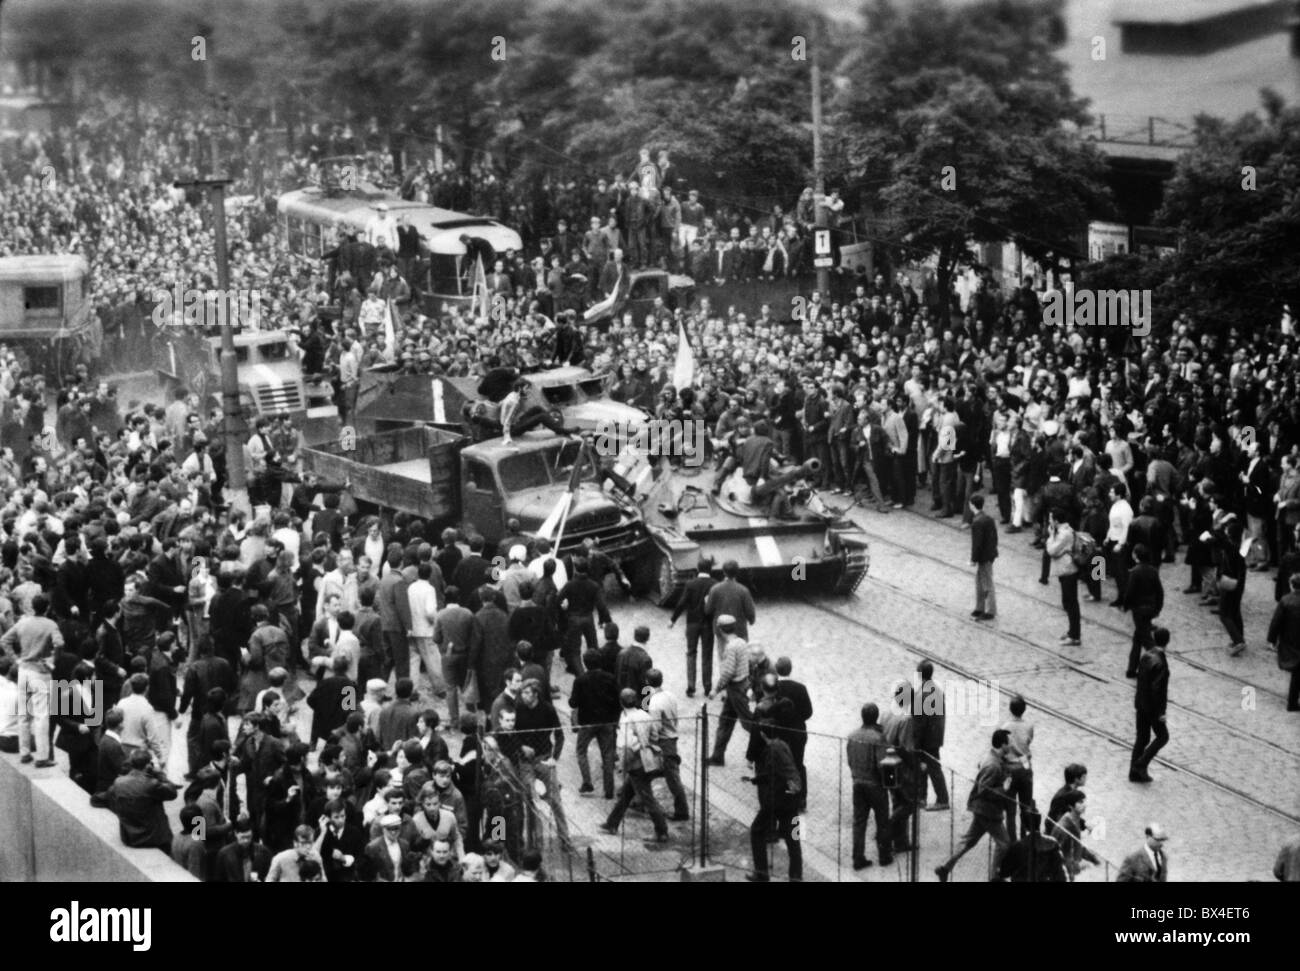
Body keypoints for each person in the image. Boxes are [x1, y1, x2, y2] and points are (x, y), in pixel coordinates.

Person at [935, 729, 1013, 882]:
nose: (1011, 746)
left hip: (981, 808)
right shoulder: (993, 765)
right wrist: (1005, 787)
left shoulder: (991, 757)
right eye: (1009, 743)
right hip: (987, 810)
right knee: (1004, 843)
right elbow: (983, 790)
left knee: (968, 840)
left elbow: (981, 766)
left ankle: (944, 867)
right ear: (1003, 744)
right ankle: (994, 878)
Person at [599, 687, 669, 843]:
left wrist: (636, 749)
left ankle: (662, 831)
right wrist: (646, 745)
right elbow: (655, 735)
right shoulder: (645, 715)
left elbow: (627, 744)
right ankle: (612, 823)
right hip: (648, 761)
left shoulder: (625, 720)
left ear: (621, 702)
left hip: (636, 762)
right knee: (626, 793)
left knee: (647, 798)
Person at [1, 592, 62, 766]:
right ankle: (42, 757)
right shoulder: (50, 624)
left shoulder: (22, 622)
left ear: (32, 607)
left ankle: (24, 752)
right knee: (41, 715)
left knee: (23, 714)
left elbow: (4, 640)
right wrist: (52, 659)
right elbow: (59, 644)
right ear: (47, 608)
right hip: (40, 671)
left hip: (23, 670)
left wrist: (16, 659)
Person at [744, 717, 802, 882]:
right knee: (794, 838)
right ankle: (796, 876)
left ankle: (761, 873)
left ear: (762, 734)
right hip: (792, 798)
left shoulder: (770, 750)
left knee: (756, 831)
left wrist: (758, 780)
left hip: (777, 799)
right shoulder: (783, 745)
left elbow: (771, 775)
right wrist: (755, 780)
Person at [96, 748, 179, 852]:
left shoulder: (118, 783)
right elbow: (173, 793)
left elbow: (99, 799)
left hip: (129, 837)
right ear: (148, 765)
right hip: (154, 837)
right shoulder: (151, 784)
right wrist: (160, 774)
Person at [846, 702, 893, 869]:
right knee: (882, 821)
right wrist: (888, 783)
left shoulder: (852, 736)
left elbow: (850, 760)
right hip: (874, 785)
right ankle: (884, 855)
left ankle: (857, 857)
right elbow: (883, 765)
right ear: (876, 717)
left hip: (857, 782)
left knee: (859, 822)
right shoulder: (878, 738)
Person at [569, 648, 619, 799]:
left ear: (585, 663)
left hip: (587, 722)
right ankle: (609, 790)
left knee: (581, 751)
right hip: (606, 722)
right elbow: (617, 701)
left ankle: (587, 782)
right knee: (608, 754)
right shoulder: (610, 678)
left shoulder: (580, 680)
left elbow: (573, 703)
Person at [706, 615, 752, 766]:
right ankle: (717, 756)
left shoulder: (731, 647)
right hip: (740, 686)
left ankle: (767, 749)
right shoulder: (741, 642)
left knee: (749, 723)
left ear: (719, 629)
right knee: (725, 722)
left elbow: (728, 672)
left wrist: (716, 689)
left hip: (736, 689)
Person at [645, 669, 690, 820]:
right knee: (667, 775)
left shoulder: (654, 703)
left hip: (664, 742)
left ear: (647, 682)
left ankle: (682, 811)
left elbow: (655, 728)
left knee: (673, 779)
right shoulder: (670, 696)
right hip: (672, 737)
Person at [670, 556, 716, 697]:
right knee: (707, 655)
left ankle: (691, 687)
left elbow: (682, 603)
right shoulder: (715, 584)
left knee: (691, 653)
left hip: (692, 624)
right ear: (710, 569)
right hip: (708, 624)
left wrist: (673, 619)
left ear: (698, 569)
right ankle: (707, 687)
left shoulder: (690, 584)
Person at [1130, 626, 1170, 783]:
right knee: (1163, 736)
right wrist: (1161, 712)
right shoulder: (1160, 661)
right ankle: (1140, 764)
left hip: (1141, 703)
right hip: (1152, 707)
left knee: (1142, 738)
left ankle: (1133, 771)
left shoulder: (1146, 655)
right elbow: (1158, 689)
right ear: (1168, 641)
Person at [773, 656, 812, 807]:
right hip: (797, 732)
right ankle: (801, 798)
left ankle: (782, 796)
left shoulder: (774, 688)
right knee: (798, 763)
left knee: (781, 764)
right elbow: (808, 712)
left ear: (776, 670)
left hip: (780, 732)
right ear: (791, 669)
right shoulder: (800, 688)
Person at [913, 659, 949, 811]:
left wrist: (916, 743)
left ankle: (941, 799)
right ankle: (922, 797)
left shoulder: (921, 695)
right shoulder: (937, 689)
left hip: (926, 738)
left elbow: (919, 722)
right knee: (930, 767)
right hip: (936, 736)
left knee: (931, 768)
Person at [1124, 544, 1164, 678]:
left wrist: (1126, 605)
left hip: (1139, 610)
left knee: (1147, 640)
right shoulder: (1153, 570)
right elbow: (1160, 592)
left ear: (1136, 556)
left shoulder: (1135, 572)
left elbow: (1130, 592)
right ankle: (1131, 669)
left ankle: (1159, 664)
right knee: (1137, 638)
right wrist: (1158, 608)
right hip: (1150, 608)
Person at [996, 808, 1066, 882]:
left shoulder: (1018, 847)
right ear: (1039, 821)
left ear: (1024, 825)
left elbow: (1004, 872)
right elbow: (1060, 873)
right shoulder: (1053, 843)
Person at [1000, 695, 1034, 842]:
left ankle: (1012, 842)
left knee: (1010, 810)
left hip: (1010, 769)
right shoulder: (1029, 725)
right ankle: (1025, 837)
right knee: (1026, 806)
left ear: (1010, 709)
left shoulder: (1005, 727)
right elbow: (1029, 740)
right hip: (1025, 767)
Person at [1044, 507, 1081, 645]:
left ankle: (1075, 635)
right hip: (1064, 570)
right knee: (1067, 602)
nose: (1049, 521)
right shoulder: (1062, 531)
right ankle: (1072, 631)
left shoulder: (1064, 534)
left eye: (1050, 518)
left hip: (1068, 570)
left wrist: (1050, 536)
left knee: (1071, 603)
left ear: (1056, 520)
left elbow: (1051, 550)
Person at [1266, 572, 1300, 711]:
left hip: (1291, 641)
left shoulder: (1285, 601)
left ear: (1292, 585)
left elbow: (1276, 622)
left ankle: (1292, 702)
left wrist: (1271, 640)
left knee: (1296, 673)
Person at [703, 559, 755, 639]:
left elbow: (708, 610)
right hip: (739, 629)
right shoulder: (743, 590)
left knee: (723, 651)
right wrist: (751, 620)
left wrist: (706, 601)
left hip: (721, 630)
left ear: (723, 572)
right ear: (737, 572)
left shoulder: (714, 589)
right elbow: (749, 610)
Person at [1055, 790, 1100, 881]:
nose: (1084, 805)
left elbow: (1077, 845)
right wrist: (1079, 867)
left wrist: (1093, 858)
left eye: (1084, 801)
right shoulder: (1065, 827)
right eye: (1080, 802)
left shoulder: (1074, 819)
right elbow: (1059, 854)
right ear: (1070, 806)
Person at [969, 494, 998, 620]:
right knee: (980, 581)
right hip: (990, 554)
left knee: (987, 583)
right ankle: (979, 607)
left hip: (983, 557)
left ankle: (990, 610)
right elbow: (995, 537)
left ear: (972, 505)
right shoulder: (988, 519)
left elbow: (977, 544)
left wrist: (973, 559)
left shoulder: (976, 522)